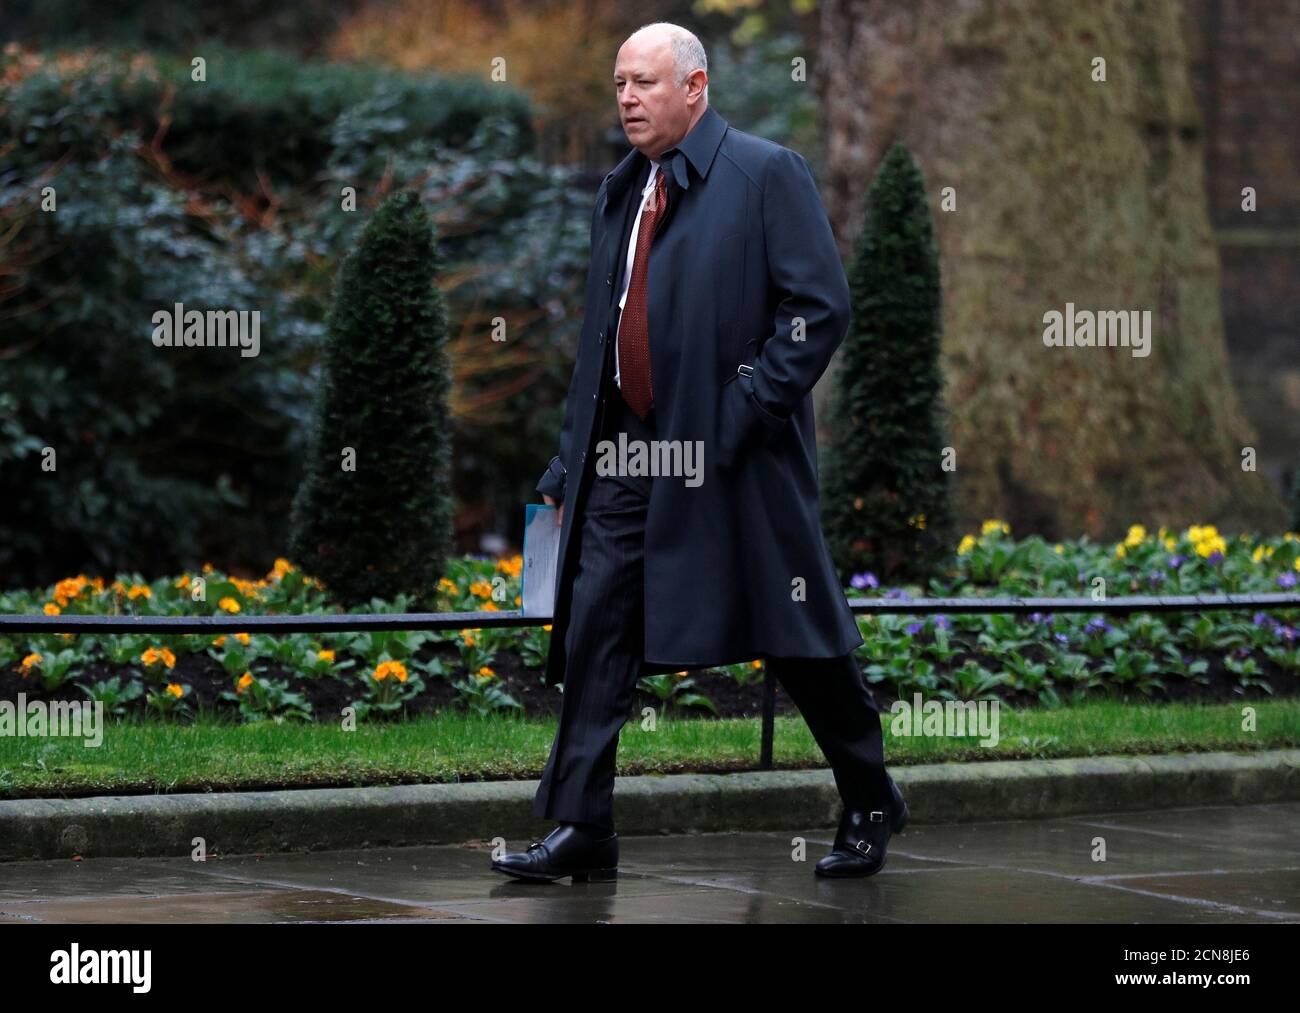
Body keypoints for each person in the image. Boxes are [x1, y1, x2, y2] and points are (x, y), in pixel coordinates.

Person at [492, 22, 907, 884]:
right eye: (619, 85)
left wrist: (740, 410)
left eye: (645, 82)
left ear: (696, 86)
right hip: (630, 456)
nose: (629, 99)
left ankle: (870, 796)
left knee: (795, 634)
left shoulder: (767, 173)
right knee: (596, 622)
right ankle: (583, 824)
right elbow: (604, 340)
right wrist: (577, 458)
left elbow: (817, 308)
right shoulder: (622, 190)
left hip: (738, 456)